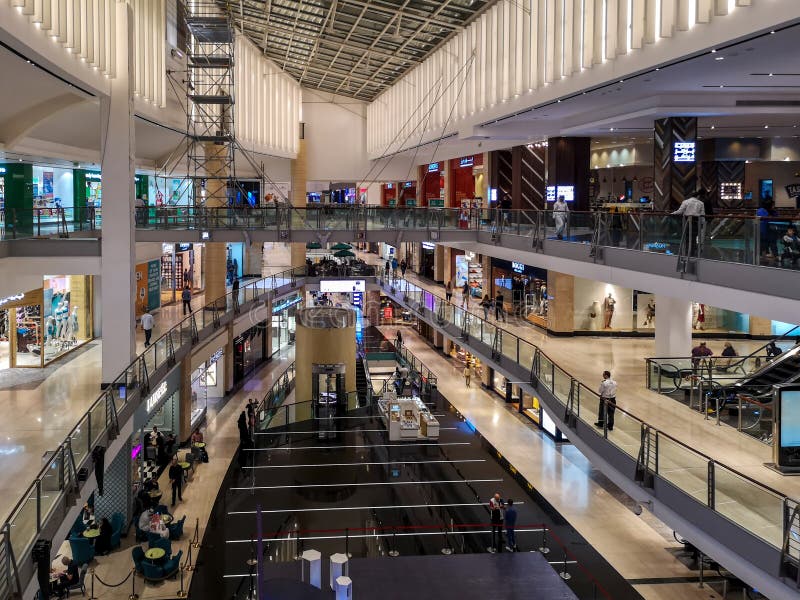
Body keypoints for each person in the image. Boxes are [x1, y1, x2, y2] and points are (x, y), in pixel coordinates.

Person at [672, 190, 706, 256]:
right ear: (698, 196)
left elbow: (680, 211)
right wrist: (702, 224)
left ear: (691, 196)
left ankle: (686, 251)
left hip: (686, 221)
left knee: (686, 237)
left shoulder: (686, 202)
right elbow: (702, 215)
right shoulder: (701, 203)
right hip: (696, 221)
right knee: (694, 237)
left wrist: (672, 213)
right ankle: (692, 252)